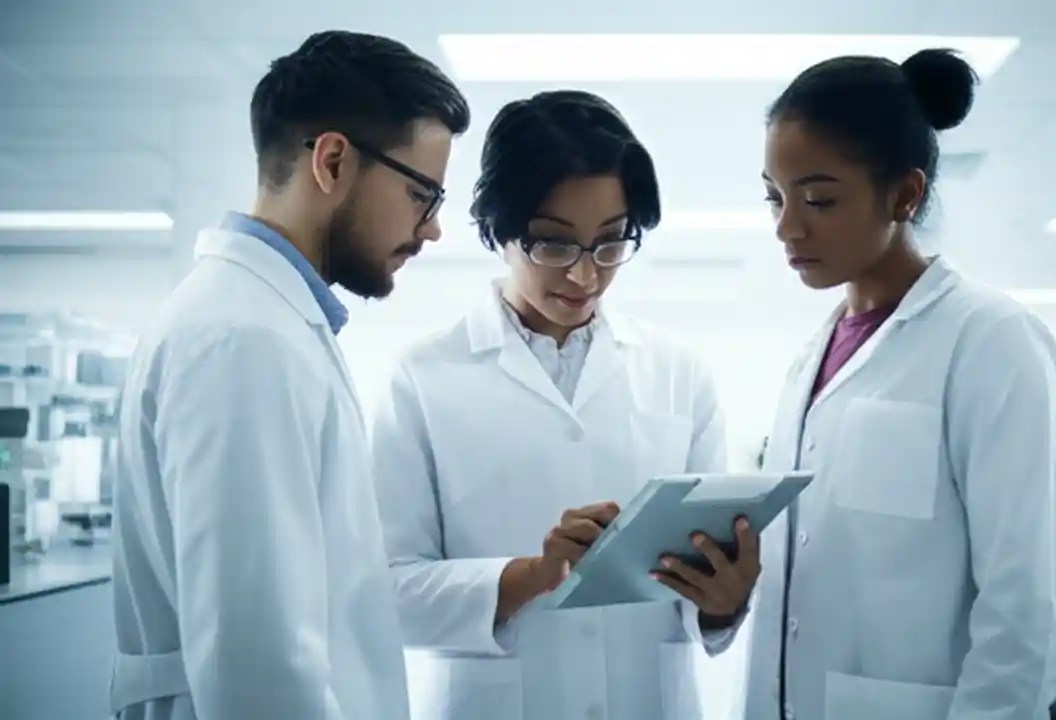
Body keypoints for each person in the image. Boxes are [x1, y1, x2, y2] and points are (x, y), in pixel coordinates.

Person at [109, 30, 469, 720]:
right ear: (332, 161)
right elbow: (256, 668)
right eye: (423, 194)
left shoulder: (262, 322)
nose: (431, 231)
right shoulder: (243, 340)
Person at [369, 89, 758, 720]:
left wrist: (724, 599)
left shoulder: (678, 373)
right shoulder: (423, 377)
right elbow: (385, 591)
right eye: (553, 245)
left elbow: (700, 603)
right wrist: (531, 575)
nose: (584, 276)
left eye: (610, 243)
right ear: (497, 229)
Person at [736, 50, 1056, 719]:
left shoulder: (991, 341)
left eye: (818, 199)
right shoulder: (810, 360)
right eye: (775, 198)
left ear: (905, 194)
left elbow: (1026, 606)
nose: (786, 226)